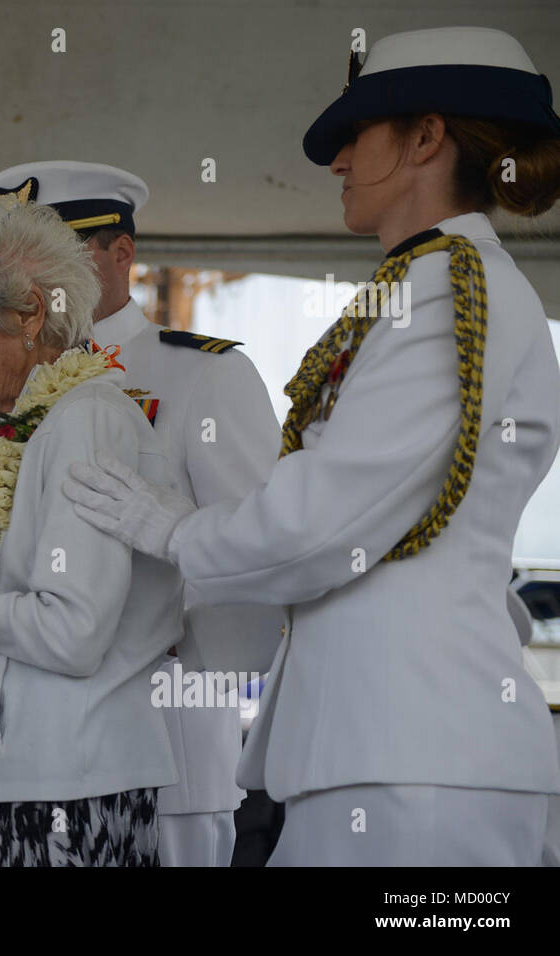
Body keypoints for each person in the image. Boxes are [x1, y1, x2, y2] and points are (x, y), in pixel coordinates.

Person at [65, 25, 560, 866]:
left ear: (426, 138)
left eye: (355, 136)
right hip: (388, 748)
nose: (335, 163)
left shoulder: (448, 291)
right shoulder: (427, 283)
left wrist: (170, 528)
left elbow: (326, 525)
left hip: (412, 756)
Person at [0, 160, 286, 867]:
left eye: (47, 252)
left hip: (158, 764)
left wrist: (143, 660)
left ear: (120, 254)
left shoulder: (203, 375)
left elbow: (261, 567)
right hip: (6, 764)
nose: (23, 277)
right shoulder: (16, 383)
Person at [0, 196, 182, 866]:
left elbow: (72, 631)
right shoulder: (24, 425)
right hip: (23, 783)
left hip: (64, 794)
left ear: (28, 313)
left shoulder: (85, 422)